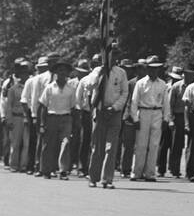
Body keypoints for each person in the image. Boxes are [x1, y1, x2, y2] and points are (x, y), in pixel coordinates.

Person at [88, 55, 130, 188]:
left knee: (111, 147)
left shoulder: (121, 72)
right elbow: (89, 86)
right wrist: (99, 74)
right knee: (97, 146)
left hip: (114, 113)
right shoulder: (96, 71)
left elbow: (125, 93)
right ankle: (93, 178)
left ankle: (107, 179)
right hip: (100, 111)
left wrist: (115, 107)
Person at [128, 57, 171, 181]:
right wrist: (135, 119)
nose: (153, 71)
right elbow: (134, 102)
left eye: (156, 68)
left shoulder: (162, 84)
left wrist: (166, 119)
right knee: (141, 144)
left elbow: (166, 103)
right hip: (144, 112)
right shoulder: (140, 83)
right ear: (147, 69)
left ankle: (150, 173)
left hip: (157, 113)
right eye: (151, 68)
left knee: (154, 145)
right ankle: (136, 172)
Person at [39, 59, 78, 178]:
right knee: (49, 144)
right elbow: (43, 106)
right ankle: (46, 170)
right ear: (55, 72)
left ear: (67, 73)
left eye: (64, 71)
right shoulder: (49, 88)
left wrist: (75, 123)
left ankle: (63, 170)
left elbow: (73, 108)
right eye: (59, 70)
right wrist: (41, 123)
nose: (62, 73)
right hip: (52, 118)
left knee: (65, 143)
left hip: (66, 118)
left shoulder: (71, 89)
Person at [3, 59, 28, 171]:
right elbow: (8, 105)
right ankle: (13, 165)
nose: (25, 75)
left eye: (26, 73)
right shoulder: (12, 89)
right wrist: (9, 120)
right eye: (22, 73)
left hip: (26, 118)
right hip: (16, 117)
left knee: (26, 143)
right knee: (15, 143)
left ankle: (24, 165)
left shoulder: (30, 87)